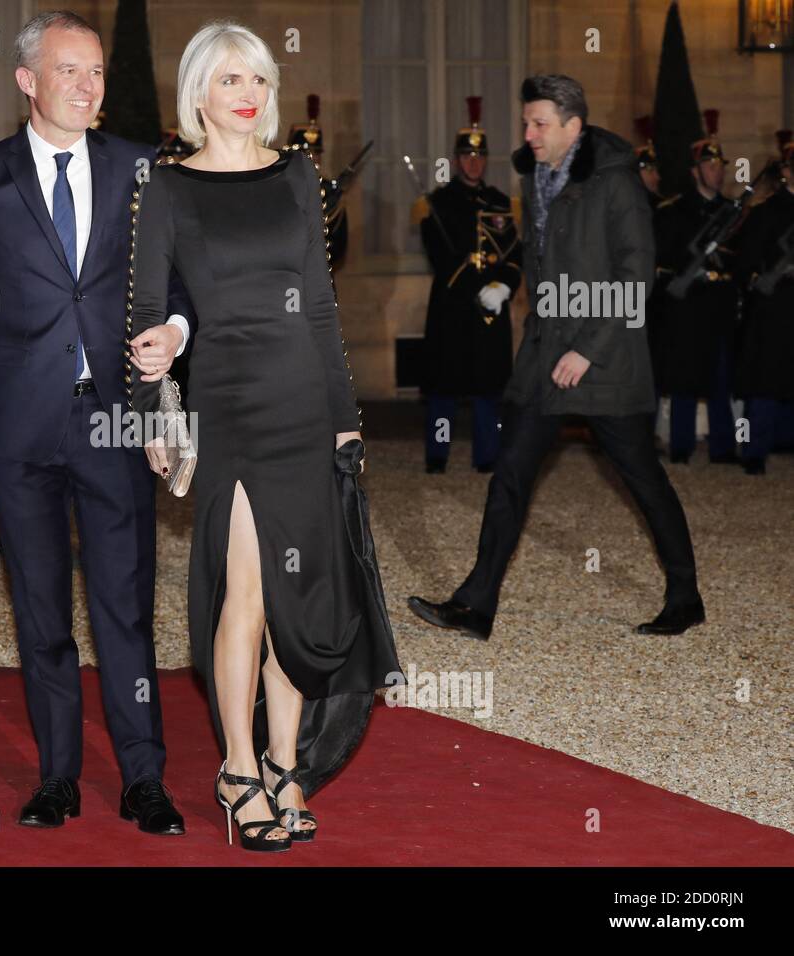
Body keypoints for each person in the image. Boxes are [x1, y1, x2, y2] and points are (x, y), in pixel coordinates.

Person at [0, 10, 195, 834]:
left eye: (97, 73)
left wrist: (174, 334)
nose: (87, 86)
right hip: (18, 427)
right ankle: (57, 778)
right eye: (70, 71)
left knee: (125, 607)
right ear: (28, 81)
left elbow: (179, 284)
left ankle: (145, 778)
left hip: (116, 422)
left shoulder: (141, 168)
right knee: (40, 610)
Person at [129, 20, 403, 852]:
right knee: (245, 596)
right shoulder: (167, 188)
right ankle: (238, 769)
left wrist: (346, 419)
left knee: (298, 598)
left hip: (303, 409)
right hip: (231, 407)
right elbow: (144, 318)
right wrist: (149, 420)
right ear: (198, 96)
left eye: (257, 80)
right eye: (229, 81)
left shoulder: (297, 175)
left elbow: (320, 307)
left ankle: (287, 763)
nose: (247, 95)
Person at [408, 74, 705, 639]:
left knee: (642, 478)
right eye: (526, 122)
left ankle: (685, 595)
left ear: (575, 126)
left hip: (604, 361)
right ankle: (476, 605)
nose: (529, 133)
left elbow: (635, 276)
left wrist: (586, 352)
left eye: (540, 123)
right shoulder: (538, 176)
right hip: (545, 358)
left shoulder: (616, 185)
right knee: (511, 475)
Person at [414, 96, 522, 473]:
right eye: (466, 156)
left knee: (488, 391)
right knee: (443, 391)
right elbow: (441, 260)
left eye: (479, 156)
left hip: (490, 311)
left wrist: (504, 287)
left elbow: (514, 255)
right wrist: (473, 281)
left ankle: (488, 457)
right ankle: (437, 456)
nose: (473, 162)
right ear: (457, 159)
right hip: (453, 308)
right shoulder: (438, 204)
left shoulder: (500, 203)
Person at [650, 110, 740, 465]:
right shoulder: (675, 211)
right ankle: (682, 446)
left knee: (721, 377)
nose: (717, 172)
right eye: (710, 166)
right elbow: (661, 260)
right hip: (687, 308)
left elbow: (738, 259)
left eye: (721, 166)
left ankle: (722, 447)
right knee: (684, 377)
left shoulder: (730, 212)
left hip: (717, 305)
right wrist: (683, 277)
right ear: (695, 171)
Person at [734, 130, 794, 475]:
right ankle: (755, 451)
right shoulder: (765, 212)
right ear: (785, 171)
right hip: (773, 309)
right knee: (765, 381)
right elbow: (745, 264)